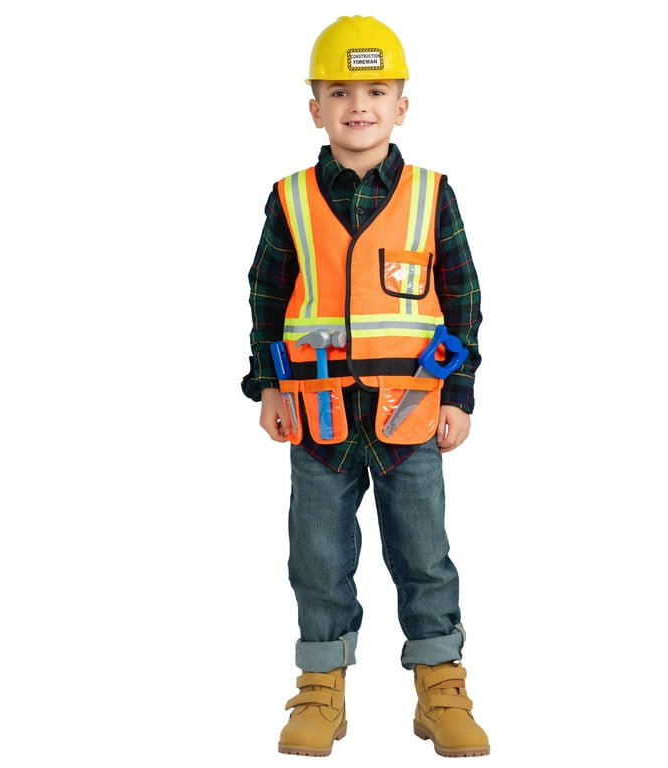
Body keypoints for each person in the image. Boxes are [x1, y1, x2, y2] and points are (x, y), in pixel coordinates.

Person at [241, 15, 488, 758]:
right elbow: (267, 296)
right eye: (340, 91)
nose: (359, 105)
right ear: (314, 107)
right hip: (317, 420)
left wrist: (458, 394)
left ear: (401, 107)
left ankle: (441, 687)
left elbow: (464, 297)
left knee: (424, 557)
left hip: (410, 417)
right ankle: (321, 688)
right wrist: (267, 386)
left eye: (376, 91)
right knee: (317, 558)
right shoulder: (289, 199)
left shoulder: (431, 195)